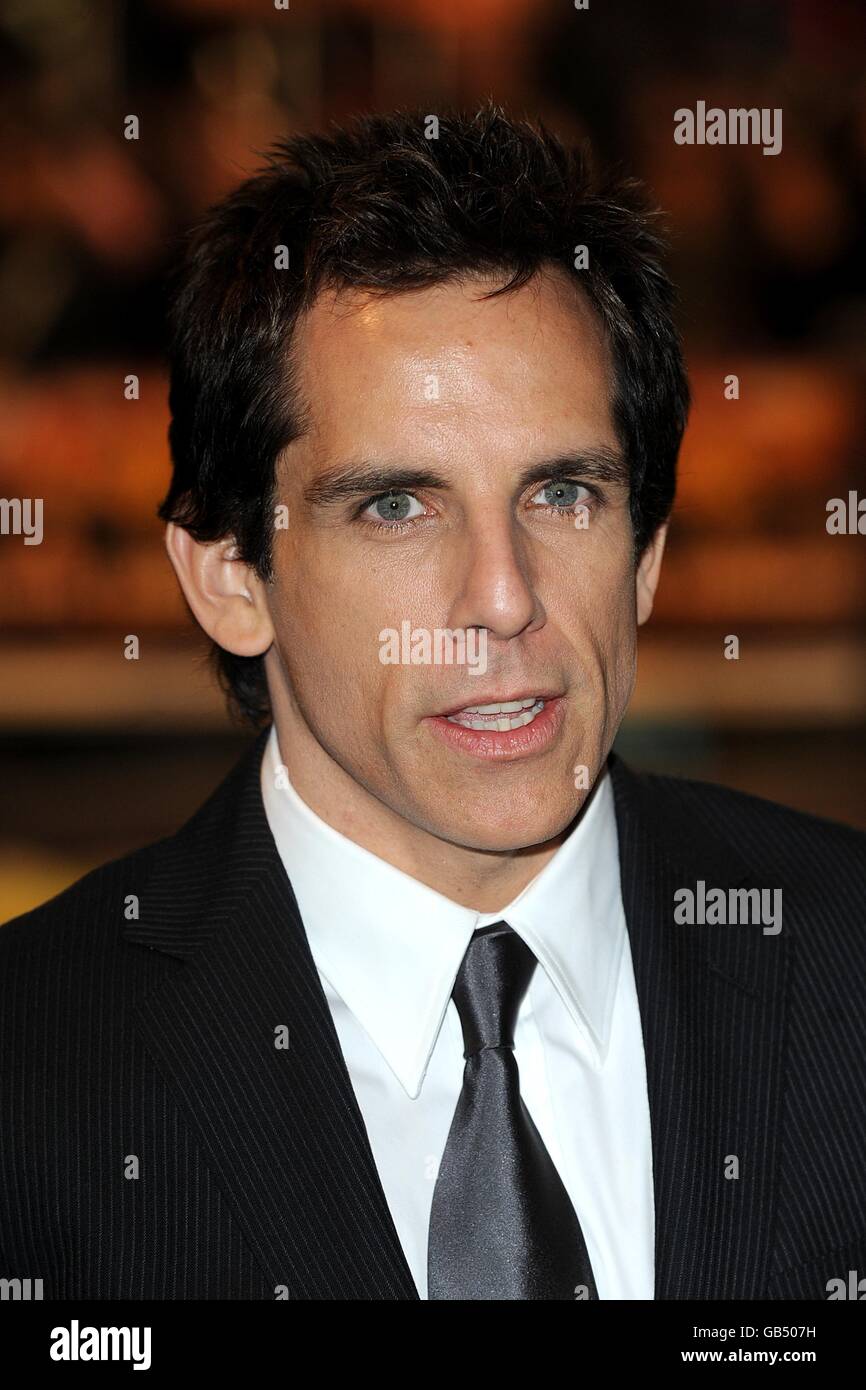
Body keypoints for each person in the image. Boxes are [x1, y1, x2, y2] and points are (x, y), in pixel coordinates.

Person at [1, 104, 864, 1302]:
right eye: (395, 507)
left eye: (562, 493)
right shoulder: (35, 1076)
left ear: (649, 555)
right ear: (229, 576)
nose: (502, 599)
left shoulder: (839, 966)